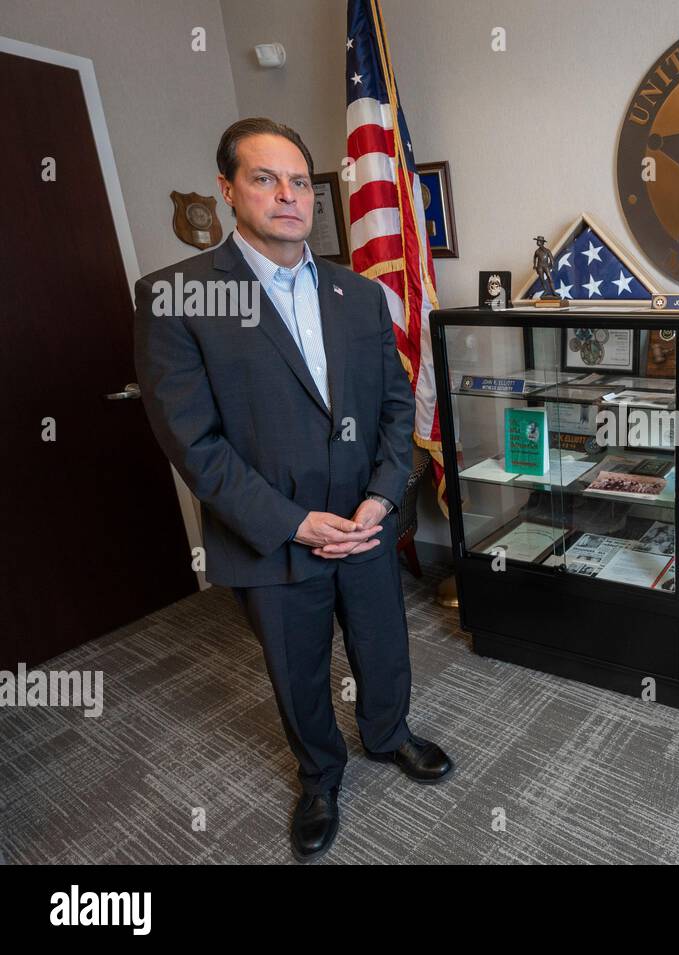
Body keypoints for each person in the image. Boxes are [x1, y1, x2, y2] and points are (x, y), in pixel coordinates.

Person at [134, 117, 454, 862]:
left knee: (383, 645)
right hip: (273, 535)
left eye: (299, 181)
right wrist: (295, 522)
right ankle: (319, 774)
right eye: (263, 178)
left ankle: (388, 734)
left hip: (365, 522)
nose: (287, 195)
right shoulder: (177, 297)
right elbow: (193, 443)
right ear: (227, 189)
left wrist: (380, 497)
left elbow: (394, 408)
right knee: (298, 669)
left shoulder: (360, 295)